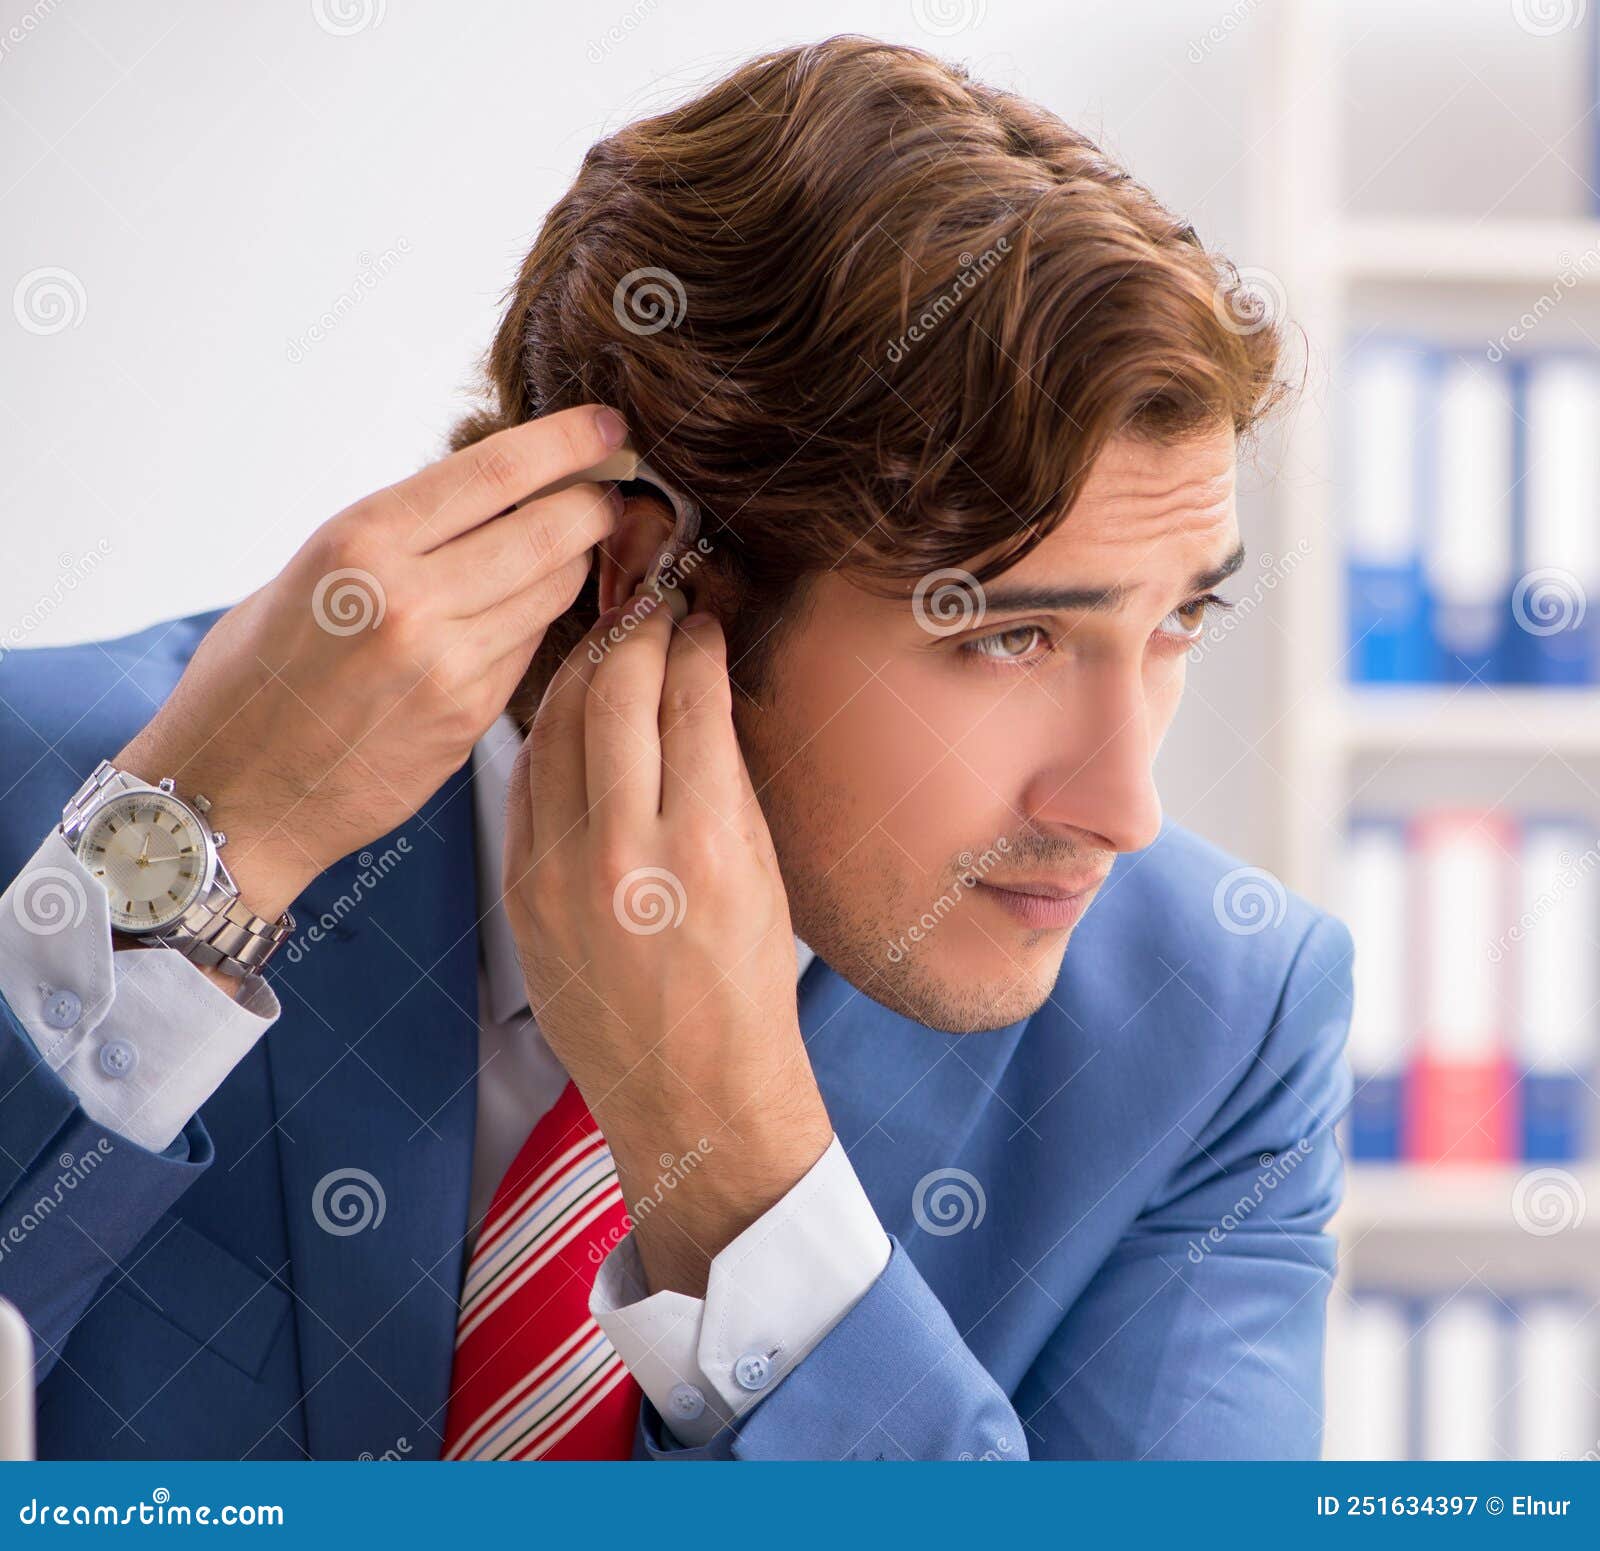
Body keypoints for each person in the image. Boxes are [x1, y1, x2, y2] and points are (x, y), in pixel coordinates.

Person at [0, 35, 1351, 1461]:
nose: (1126, 804)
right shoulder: (44, 798)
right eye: (1010, 637)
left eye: (1179, 621)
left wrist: (747, 1182)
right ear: (651, 572)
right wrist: (171, 897)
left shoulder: (1220, 1025)